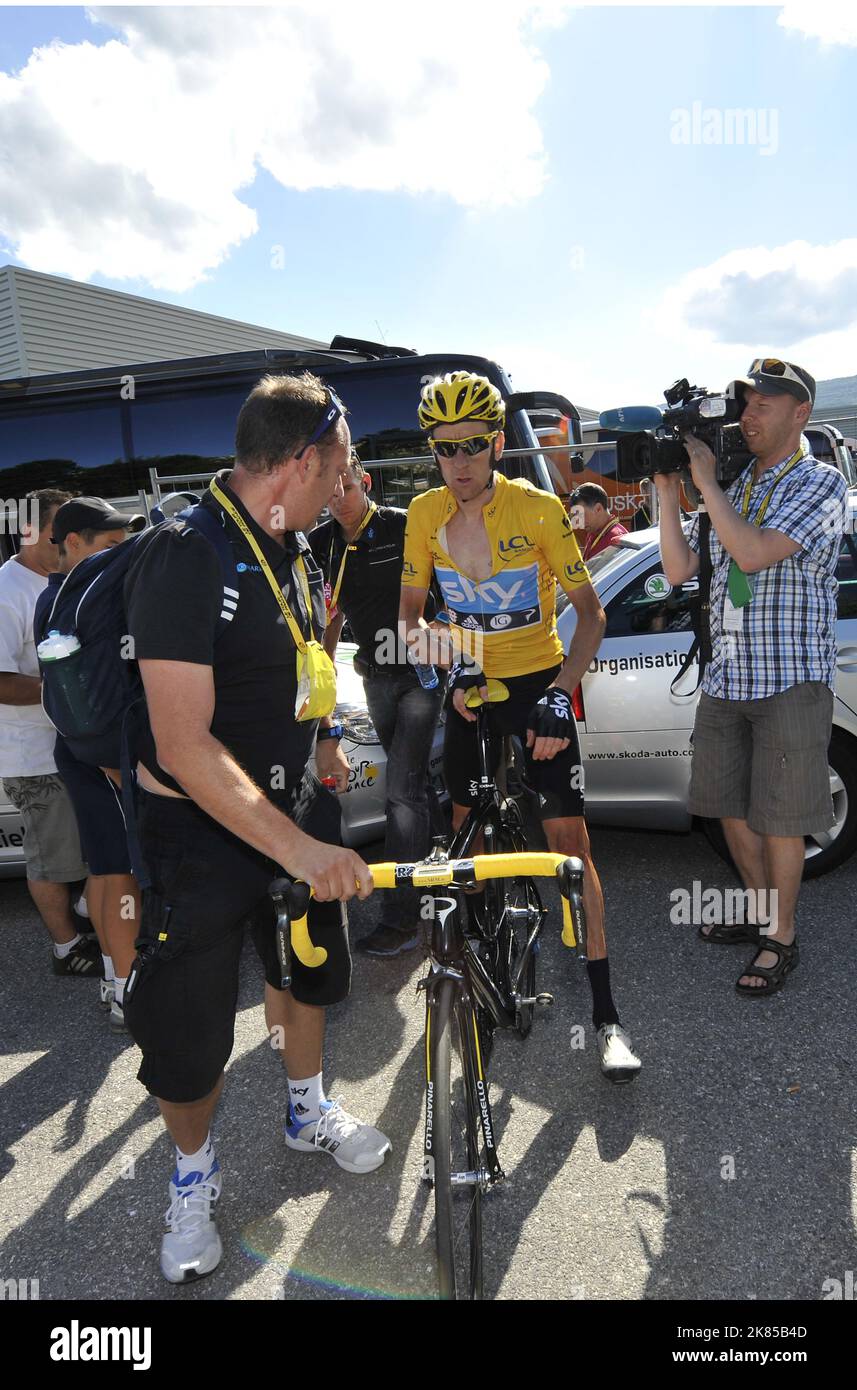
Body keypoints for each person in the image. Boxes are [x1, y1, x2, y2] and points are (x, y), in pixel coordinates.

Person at [122, 372, 390, 1285]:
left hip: (293, 814)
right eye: (343, 461)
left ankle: (306, 1110)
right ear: (302, 458)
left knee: (307, 976)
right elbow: (182, 744)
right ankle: (192, 1177)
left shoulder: (297, 545)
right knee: (191, 1034)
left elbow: (304, 658)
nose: (349, 479)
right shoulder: (184, 553)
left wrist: (321, 751)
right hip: (196, 840)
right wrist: (305, 849)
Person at [399, 371, 641, 1082]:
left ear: (497, 443)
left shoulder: (537, 509)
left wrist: (561, 695)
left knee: (570, 848)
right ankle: (472, 968)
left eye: (473, 445)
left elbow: (591, 616)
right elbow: (410, 623)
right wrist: (452, 662)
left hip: (538, 683)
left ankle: (606, 1019)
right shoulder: (421, 513)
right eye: (444, 450)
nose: (460, 462)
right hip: (472, 687)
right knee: (464, 828)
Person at [655, 358, 847, 997]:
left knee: (782, 818)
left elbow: (754, 552)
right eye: (746, 403)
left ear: (801, 414)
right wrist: (666, 490)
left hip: (790, 678)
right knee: (727, 809)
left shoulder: (821, 485)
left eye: (765, 404)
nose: (749, 415)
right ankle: (762, 913)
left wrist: (707, 484)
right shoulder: (735, 489)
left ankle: (782, 936)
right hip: (727, 677)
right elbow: (681, 570)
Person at [309, 454, 444, 957]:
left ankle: (402, 919)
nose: (337, 496)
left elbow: (446, 591)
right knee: (415, 788)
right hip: (372, 678)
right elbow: (329, 619)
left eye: (346, 484)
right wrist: (320, 682)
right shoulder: (321, 545)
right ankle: (436, 868)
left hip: (420, 676)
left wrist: (452, 648)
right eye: (329, 487)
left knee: (402, 792)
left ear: (364, 482)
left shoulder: (403, 526)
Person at [34, 498, 146, 1030]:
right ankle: (130, 993)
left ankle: (110, 974)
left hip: (73, 745)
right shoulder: (84, 597)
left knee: (103, 869)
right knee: (121, 872)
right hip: (104, 752)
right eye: (108, 545)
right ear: (71, 542)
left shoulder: (52, 598)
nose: (117, 555)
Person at [0, 488, 99, 978]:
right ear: (35, 531)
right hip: (31, 757)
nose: (68, 539)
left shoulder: (59, 580)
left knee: (86, 850)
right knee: (51, 859)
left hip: (68, 746)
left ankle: (88, 919)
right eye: (61, 529)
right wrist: (63, 690)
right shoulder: (6, 591)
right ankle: (65, 947)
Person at [569, 483, 629, 562]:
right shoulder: (593, 532)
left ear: (598, 509)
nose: (578, 520)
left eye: (581, 514)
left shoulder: (617, 539)